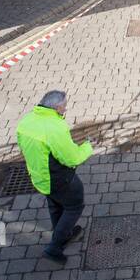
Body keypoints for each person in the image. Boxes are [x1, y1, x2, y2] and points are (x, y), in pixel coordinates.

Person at [15, 91, 93, 263]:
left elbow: (22, 146)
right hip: (60, 179)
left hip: (39, 177)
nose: (66, 109)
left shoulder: (26, 122)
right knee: (74, 207)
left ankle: (64, 234)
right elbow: (72, 157)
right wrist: (88, 146)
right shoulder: (54, 128)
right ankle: (54, 248)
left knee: (56, 207)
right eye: (64, 106)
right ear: (57, 107)